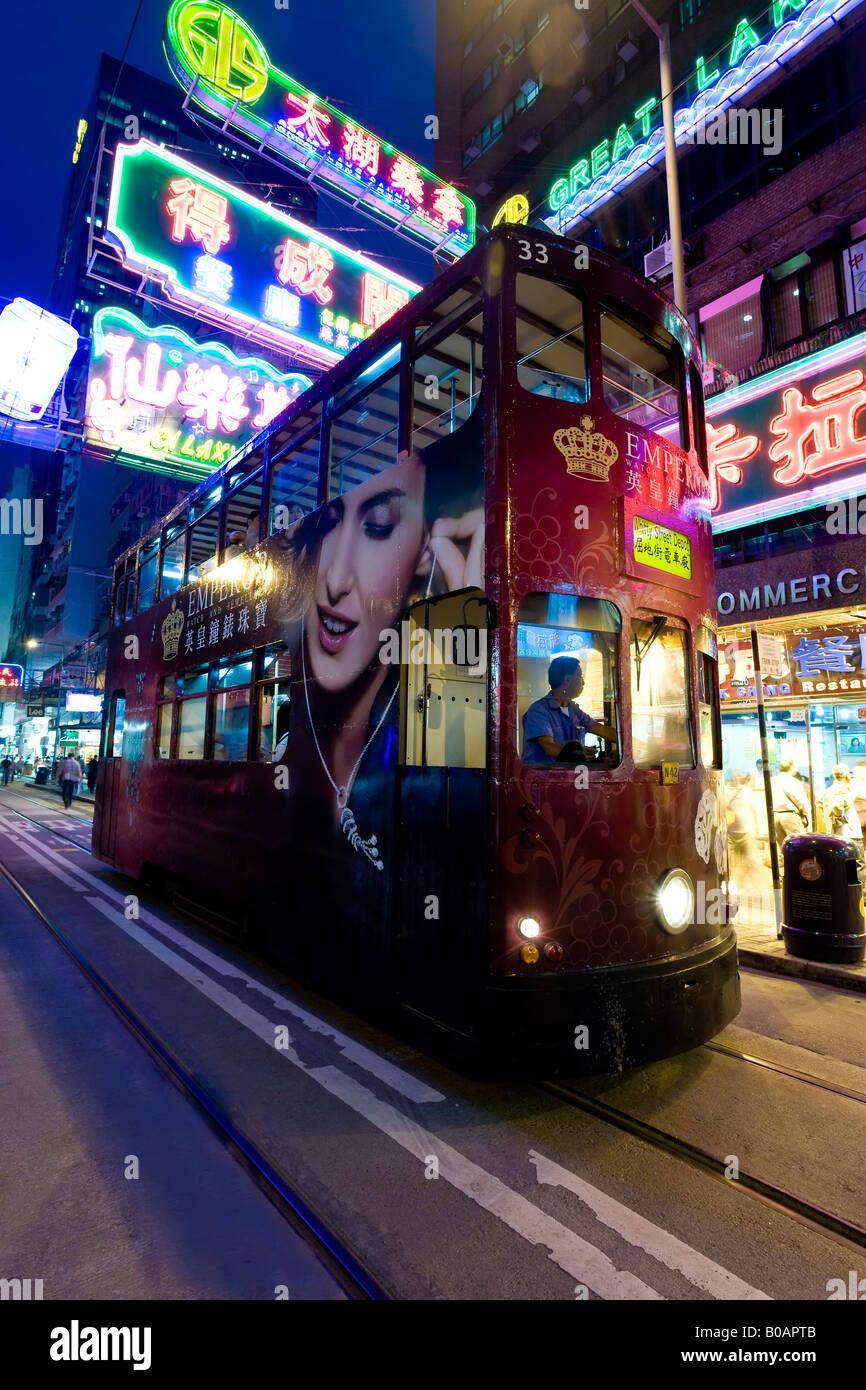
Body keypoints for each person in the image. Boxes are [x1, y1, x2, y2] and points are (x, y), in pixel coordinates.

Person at [522, 655, 617, 765]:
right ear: (567, 680)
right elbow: (549, 748)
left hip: (572, 777)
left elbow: (603, 731)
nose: (583, 682)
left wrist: (626, 741)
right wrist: (578, 754)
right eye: (580, 677)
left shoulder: (573, 709)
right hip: (544, 779)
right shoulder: (538, 711)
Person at [771, 756, 810, 853]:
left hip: (776, 816)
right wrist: (806, 814)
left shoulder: (773, 781)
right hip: (790, 816)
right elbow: (800, 801)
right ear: (791, 767)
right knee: (800, 847)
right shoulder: (792, 781)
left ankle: (786, 868)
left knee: (783, 850)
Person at [822, 764, 862, 843]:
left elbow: (820, 805)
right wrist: (839, 820)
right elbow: (837, 806)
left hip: (836, 833)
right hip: (849, 832)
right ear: (846, 775)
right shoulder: (844, 790)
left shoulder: (828, 791)